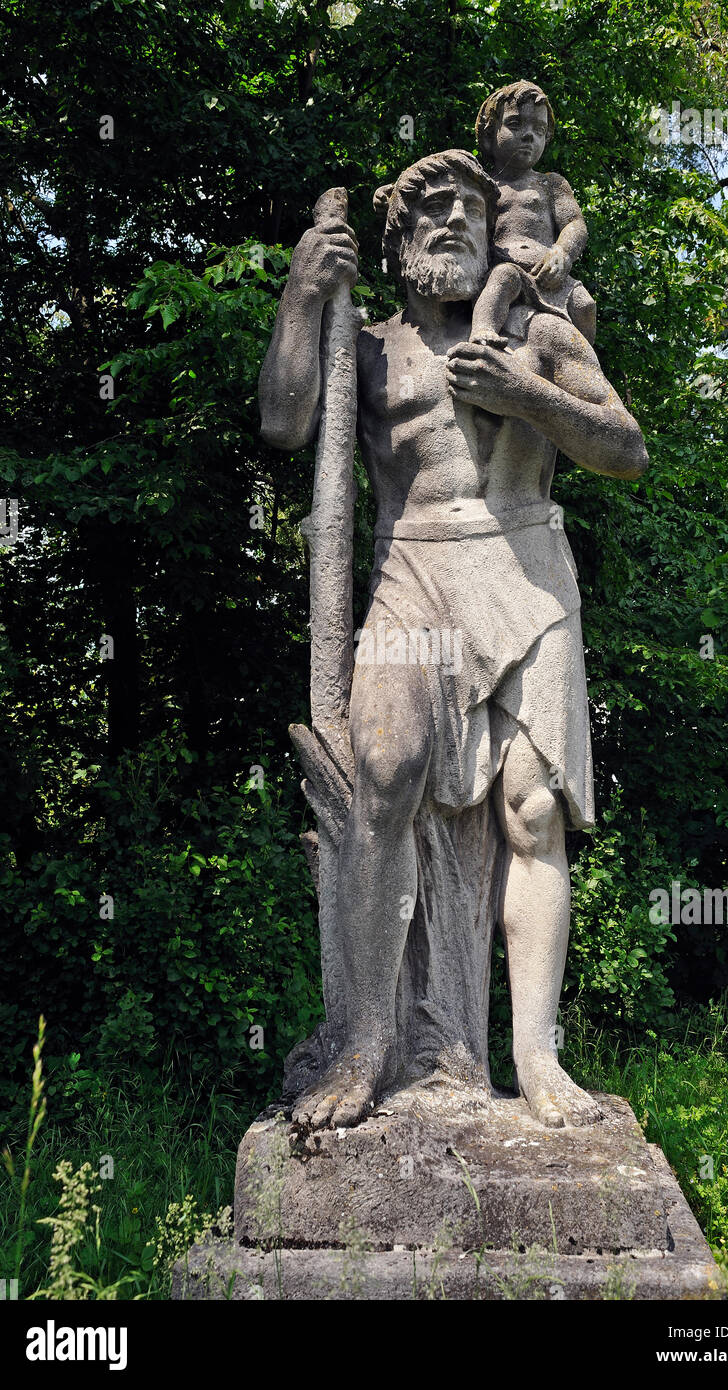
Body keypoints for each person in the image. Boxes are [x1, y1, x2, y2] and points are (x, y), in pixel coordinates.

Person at [259, 148, 647, 1131]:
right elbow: (283, 420)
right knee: (381, 773)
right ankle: (365, 1039)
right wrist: (303, 300)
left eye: (467, 211)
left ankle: (536, 1055)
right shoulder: (373, 347)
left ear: (493, 232)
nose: (448, 222)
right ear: (394, 244)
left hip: (524, 568)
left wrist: (526, 397)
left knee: (531, 810)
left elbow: (626, 451)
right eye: (427, 208)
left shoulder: (539, 334)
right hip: (413, 573)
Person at [470, 80, 597, 348]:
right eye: (515, 125)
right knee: (503, 279)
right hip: (504, 269)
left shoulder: (551, 184)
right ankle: (482, 332)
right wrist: (396, 193)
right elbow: (436, 187)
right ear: (488, 135)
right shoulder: (480, 185)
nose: (529, 136)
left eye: (539, 130)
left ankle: (580, 358)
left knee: (585, 305)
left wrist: (562, 252)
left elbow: (575, 224)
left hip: (549, 276)